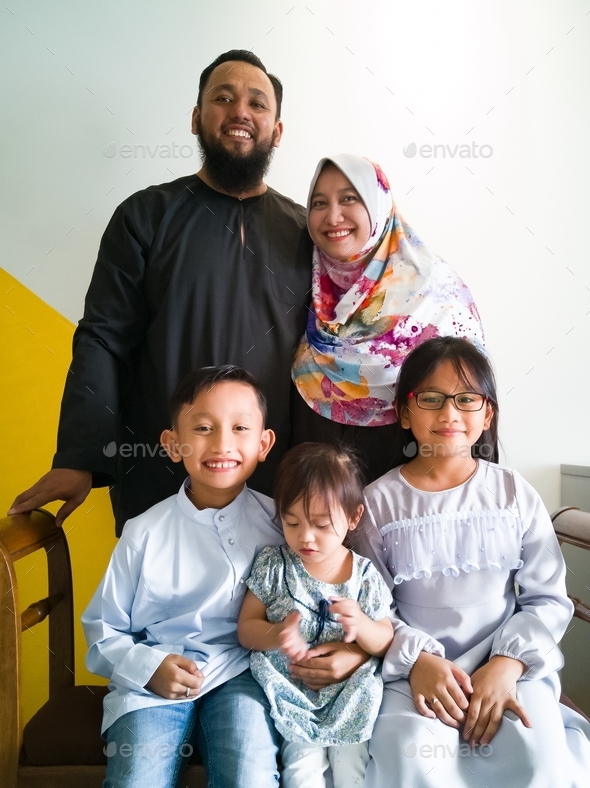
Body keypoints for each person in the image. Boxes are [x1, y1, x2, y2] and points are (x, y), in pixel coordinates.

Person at [9, 49, 312, 536]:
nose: (240, 111)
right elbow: (104, 338)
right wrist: (80, 456)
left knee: (269, 612)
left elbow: (332, 360)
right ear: (196, 118)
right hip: (158, 477)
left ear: (277, 131)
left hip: (278, 487)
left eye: (258, 104)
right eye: (223, 97)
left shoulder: (309, 234)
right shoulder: (145, 217)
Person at [357, 336, 590, 787]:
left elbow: (548, 598)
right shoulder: (378, 502)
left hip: (510, 667)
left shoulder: (512, 492)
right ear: (405, 413)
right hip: (416, 673)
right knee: (412, 760)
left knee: (538, 761)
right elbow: (372, 606)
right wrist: (418, 661)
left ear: (487, 414)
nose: (449, 414)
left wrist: (507, 664)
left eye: (466, 399)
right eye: (431, 399)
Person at [82, 365, 284, 787]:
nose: (222, 443)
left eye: (240, 427)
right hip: (152, 677)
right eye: (204, 428)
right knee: (135, 779)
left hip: (242, 674)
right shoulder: (144, 531)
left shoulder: (282, 525)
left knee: (249, 775)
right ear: (173, 445)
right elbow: (103, 632)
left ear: (264, 443)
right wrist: (148, 666)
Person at [291, 154, 484, 483]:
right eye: (319, 203)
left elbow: (467, 408)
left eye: (349, 198)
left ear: (378, 206)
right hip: (323, 508)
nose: (332, 216)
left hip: (415, 496)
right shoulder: (302, 286)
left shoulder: (436, 293)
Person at [237, 443, 393, 788]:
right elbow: (246, 629)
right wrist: (277, 634)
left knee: (354, 768)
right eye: (291, 522)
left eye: (322, 525)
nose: (305, 537)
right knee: (301, 770)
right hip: (293, 693)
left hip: (351, 696)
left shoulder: (364, 575)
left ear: (353, 517)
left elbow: (385, 638)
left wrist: (363, 626)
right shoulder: (274, 565)